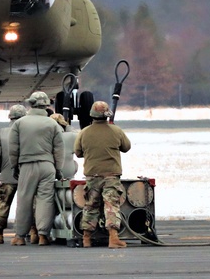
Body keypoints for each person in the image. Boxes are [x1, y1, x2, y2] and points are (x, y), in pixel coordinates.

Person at [7, 91, 65, 246]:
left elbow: (13, 148)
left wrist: (14, 166)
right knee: (45, 200)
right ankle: (43, 235)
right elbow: (59, 150)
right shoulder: (53, 124)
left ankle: (20, 236)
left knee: (24, 199)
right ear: (46, 105)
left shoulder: (20, 123)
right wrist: (58, 170)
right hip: (47, 166)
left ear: (30, 104)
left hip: (27, 165)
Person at [74, 100, 132, 248]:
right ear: (107, 115)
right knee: (111, 206)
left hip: (92, 175)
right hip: (111, 176)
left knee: (90, 205)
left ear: (92, 115)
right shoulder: (116, 131)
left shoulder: (84, 132)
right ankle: (113, 238)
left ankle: (86, 239)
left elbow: (78, 153)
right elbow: (126, 147)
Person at [0, 104, 26, 244]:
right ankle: (32, 232)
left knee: (3, 204)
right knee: (29, 205)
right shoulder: (27, 133)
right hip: (26, 175)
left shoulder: (1, 133)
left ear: (10, 116)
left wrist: (1, 169)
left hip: (7, 175)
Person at [50, 113, 79, 180]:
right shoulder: (71, 136)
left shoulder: (46, 137)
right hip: (68, 171)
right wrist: (68, 127)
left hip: (50, 171)